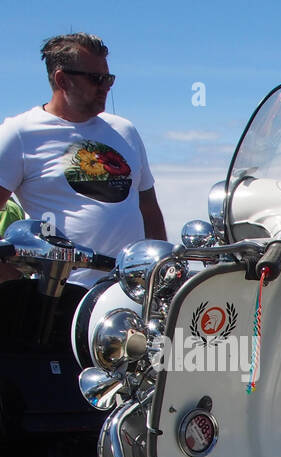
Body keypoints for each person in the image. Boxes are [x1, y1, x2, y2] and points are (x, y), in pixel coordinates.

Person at [0, 32, 164, 287]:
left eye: (109, 78)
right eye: (96, 79)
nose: (106, 87)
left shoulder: (125, 130)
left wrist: (162, 271)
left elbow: (149, 209)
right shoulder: (19, 134)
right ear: (62, 80)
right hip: (63, 295)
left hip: (131, 293)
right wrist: (11, 277)